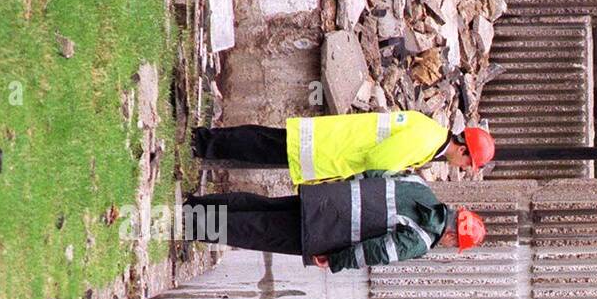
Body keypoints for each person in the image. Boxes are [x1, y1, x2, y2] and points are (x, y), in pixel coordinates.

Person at [182, 171, 485, 272]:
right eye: (453, 244)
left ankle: (191, 206)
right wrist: (336, 261)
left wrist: (337, 190)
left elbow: (374, 174)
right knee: (254, 231)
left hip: (323, 200)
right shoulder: (419, 239)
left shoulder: (420, 185)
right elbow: (374, 251)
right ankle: (185, 224)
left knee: (260, 207)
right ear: (452, 238)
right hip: (323, 233)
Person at [191, 111, 495, 185]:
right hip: (329, 149)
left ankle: (205, 142)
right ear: (464, 150)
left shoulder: (430, 138)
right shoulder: (427, 140)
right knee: (260, 145)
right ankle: (202, 142)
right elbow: (378, 160)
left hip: (331, 144)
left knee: (263, 142)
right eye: (469, 164)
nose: (465, 169)